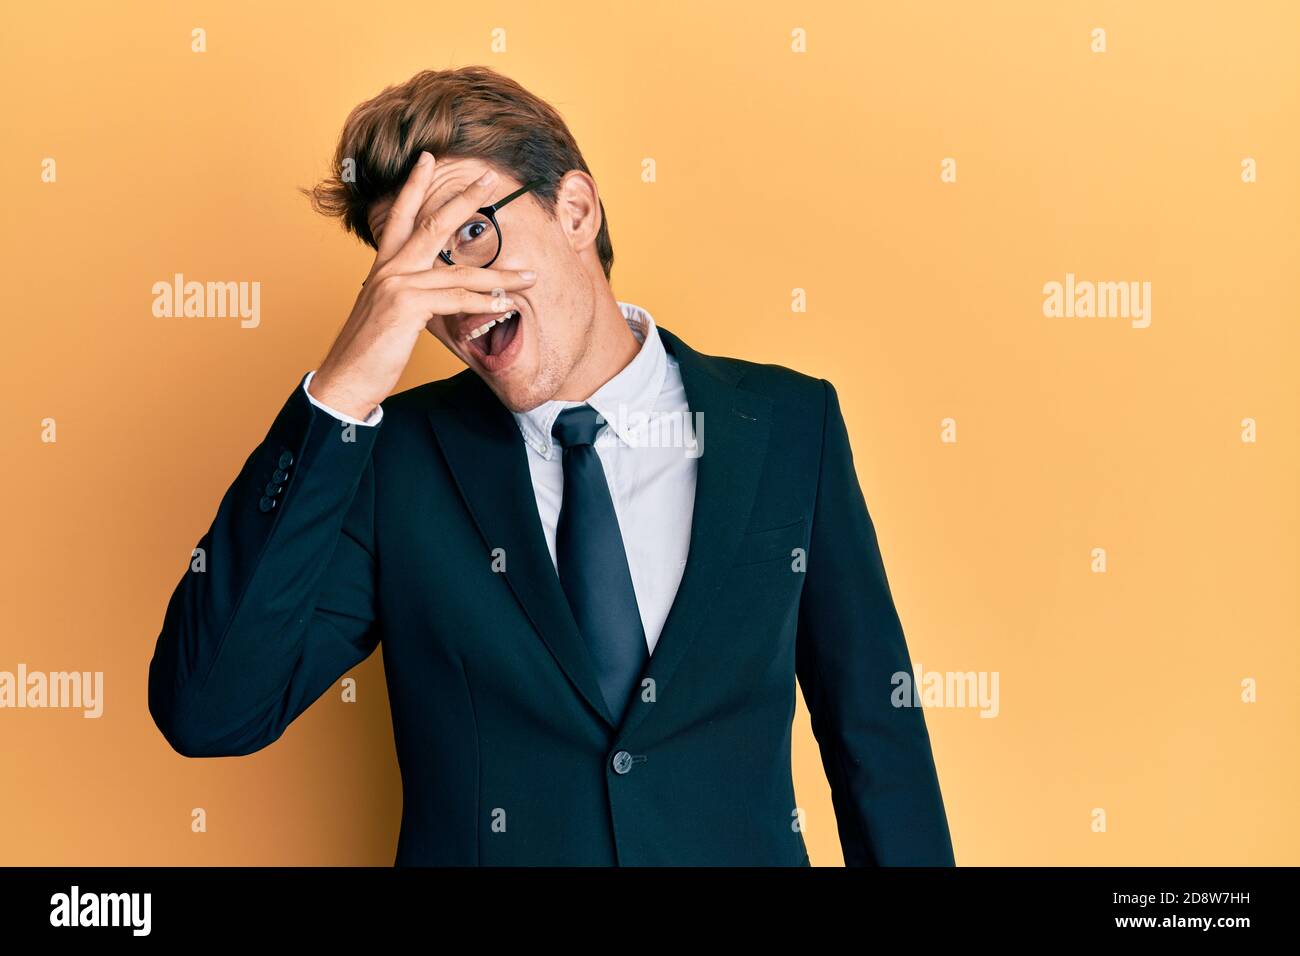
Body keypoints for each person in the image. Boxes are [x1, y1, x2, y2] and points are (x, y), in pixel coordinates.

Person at [147, 65, 955, 866]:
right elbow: (210, 710)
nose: (456, 290)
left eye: (468, 231)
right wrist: (345, 384)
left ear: (574, 209)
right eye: (416, 261)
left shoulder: (787, 423)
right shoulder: (392, 462)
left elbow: (874, 736)